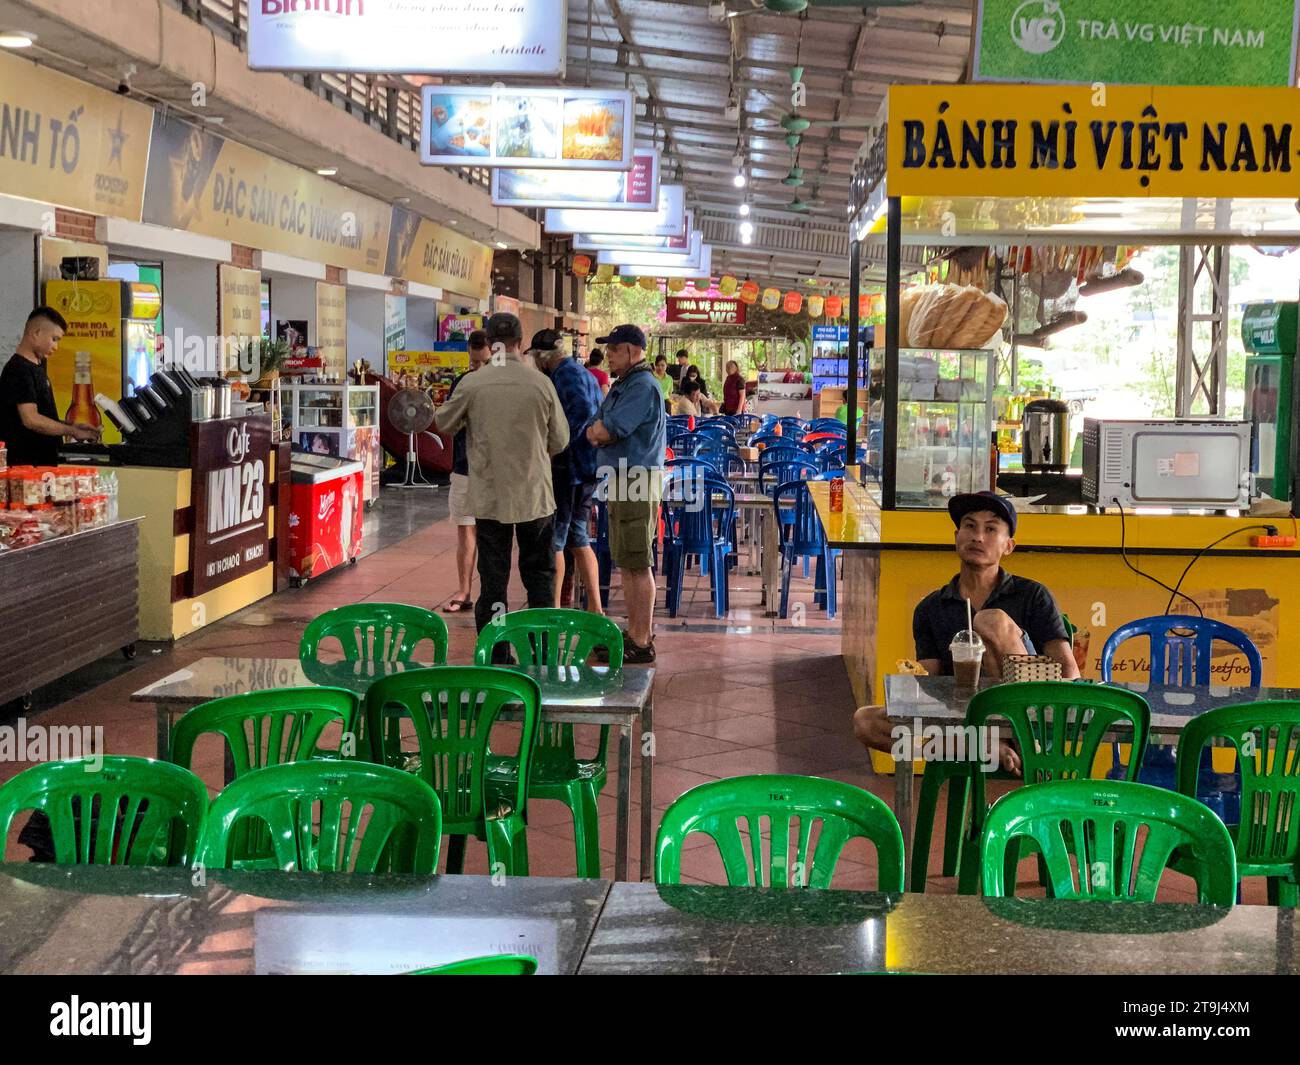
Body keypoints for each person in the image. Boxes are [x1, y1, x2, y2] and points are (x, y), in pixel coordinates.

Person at [852, 491, 1078, 771]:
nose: (978, 536)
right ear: (956, 536)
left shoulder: (1032, 595)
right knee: (866, 722)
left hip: (1028, 717)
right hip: (965, 721)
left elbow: (1070, 673)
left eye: (991, 529)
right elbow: (930, 682)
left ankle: (1019, 741)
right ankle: (985, 746)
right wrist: (908, 689)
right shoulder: (930, 608)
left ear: (1009, 546)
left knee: (990, 620)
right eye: (969, 526)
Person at [434, 313, 569, 640]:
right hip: (534, 496)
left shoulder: (473, 383)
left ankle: (496, 653)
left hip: (490, 496)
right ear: (521, 343)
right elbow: (561, 440)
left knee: (493, 579)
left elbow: (444, 423)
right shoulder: (541, 383)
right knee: (539, 577)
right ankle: (541, 652)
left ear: (489, 341)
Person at [586, 324, 665, 663]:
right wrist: (598, 431)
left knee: (637, 559)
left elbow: (608, 428)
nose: (609, 356)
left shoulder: (643, 386)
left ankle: (641, 640)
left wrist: (600, 432)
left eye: (615, 350)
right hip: (621, 478)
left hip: (636, 478)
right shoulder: (625, 384)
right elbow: (595, 426)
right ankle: (633, 631)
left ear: (633, 351)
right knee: (626, 561)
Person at [532, 329, 605, 616]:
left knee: (557, 540)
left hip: (569, 468)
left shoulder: (565, 376)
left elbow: (580, 413)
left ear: (542, 357)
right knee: (579, 537)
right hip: (587, 468)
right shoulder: (583, 373)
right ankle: (595, 610)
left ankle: (554, 610)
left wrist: (555, 447)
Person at [0, 307, 99, 466]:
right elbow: (31, 419)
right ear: (36, 333)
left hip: (44, 465)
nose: (56, 347)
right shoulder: (18, 370)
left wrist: (71, 425)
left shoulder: (36, 368)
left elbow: (43, 416)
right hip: (26, 469)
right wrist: (72, 431)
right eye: (54, 339)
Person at [440, 329, 492, 613]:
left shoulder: (501, 384)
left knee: (489, 533)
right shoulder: (462, 382)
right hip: (465, 467)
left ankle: (489, 591)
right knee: (466, 530)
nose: (475, 363)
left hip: (492, 471)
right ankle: (465, 590)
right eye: (473, 358)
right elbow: (450, 421)